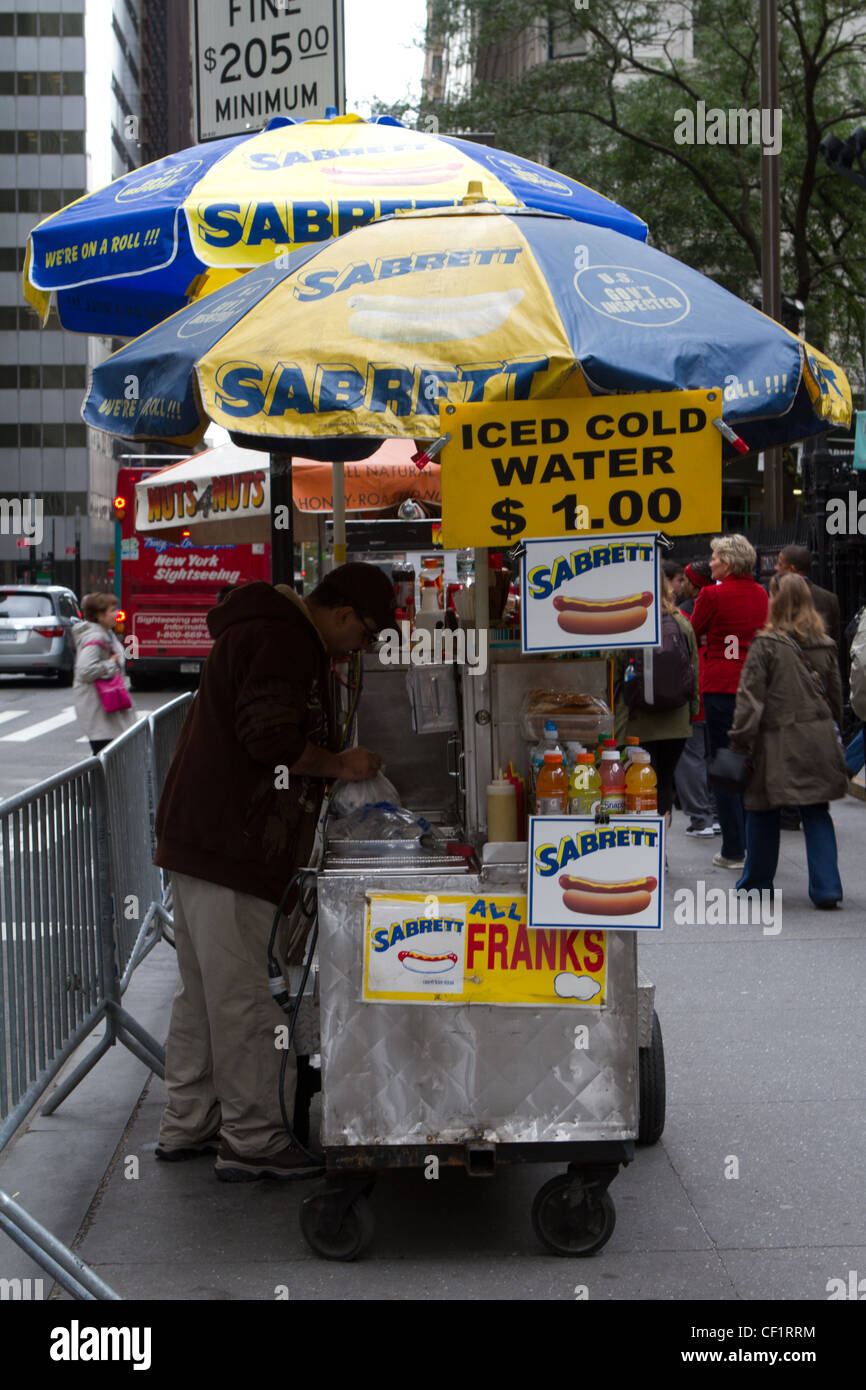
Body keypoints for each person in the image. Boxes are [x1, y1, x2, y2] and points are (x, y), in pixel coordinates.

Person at [153, 566, 396, 1181]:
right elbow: (268, 739)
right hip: (232, 841)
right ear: (342, 615)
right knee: (241, 1000)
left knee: (205, 994)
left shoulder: (268, 629)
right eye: (365, 635)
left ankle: (190, 1120)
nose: (360, 649)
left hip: (201, 837)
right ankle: (253, 1141)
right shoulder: (283, 638)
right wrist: (339, 764)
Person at [728, 574, 847, 908]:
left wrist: (739, 741)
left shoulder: (766, 644)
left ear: (774, 600)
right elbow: (836, 697)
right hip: (817, 738)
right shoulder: (825, 644)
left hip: (776, 743)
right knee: (816, 811)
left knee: (763, 810)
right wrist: (831, 732)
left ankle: (756, 883)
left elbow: (750, 701)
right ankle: (827, 888)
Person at [690, 534, 768, 870]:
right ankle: (755, 842)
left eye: (716, 557)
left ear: (730, 561)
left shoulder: (711, 594)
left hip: (721, 685)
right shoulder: (762, 594)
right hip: (753, 687)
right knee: (751, 763)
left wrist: (713, 639)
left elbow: (692, 633)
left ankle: (734, 849)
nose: (710, 562)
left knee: (724, 764)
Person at [612, 575, 700, 823]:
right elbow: (694, 670)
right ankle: (661, 845)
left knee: (637, 787)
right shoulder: (681, 622)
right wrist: (692, 710)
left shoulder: (627, 622)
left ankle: (644, 846)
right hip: (677, 722)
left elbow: (613, 668)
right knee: (664, 783)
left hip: (637, 723)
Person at [672, 560, 718, 835]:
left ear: (696, 583)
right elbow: (733, 648)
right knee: (713, 753)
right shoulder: (723, 611)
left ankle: (701, 817)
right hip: (716, 689)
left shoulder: (685, 614)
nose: (682, 585)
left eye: (686, 580)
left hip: (696, 687)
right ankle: (716, 813)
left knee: (691, 756)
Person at [72, 592, 137, 755]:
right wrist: (110, 664)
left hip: (106, 709)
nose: (117, 614)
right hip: (100, 709)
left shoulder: (106, 633)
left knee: (110, 758)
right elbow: (84, 670)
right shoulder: (96, 636)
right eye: (112, 610)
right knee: (106, 758)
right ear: (99, 616)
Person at [775, 545, 841, 649]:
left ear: (792, 569)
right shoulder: (829, 598)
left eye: (780, 564)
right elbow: (835, 640)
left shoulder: (778, 596)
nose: (776, 568)